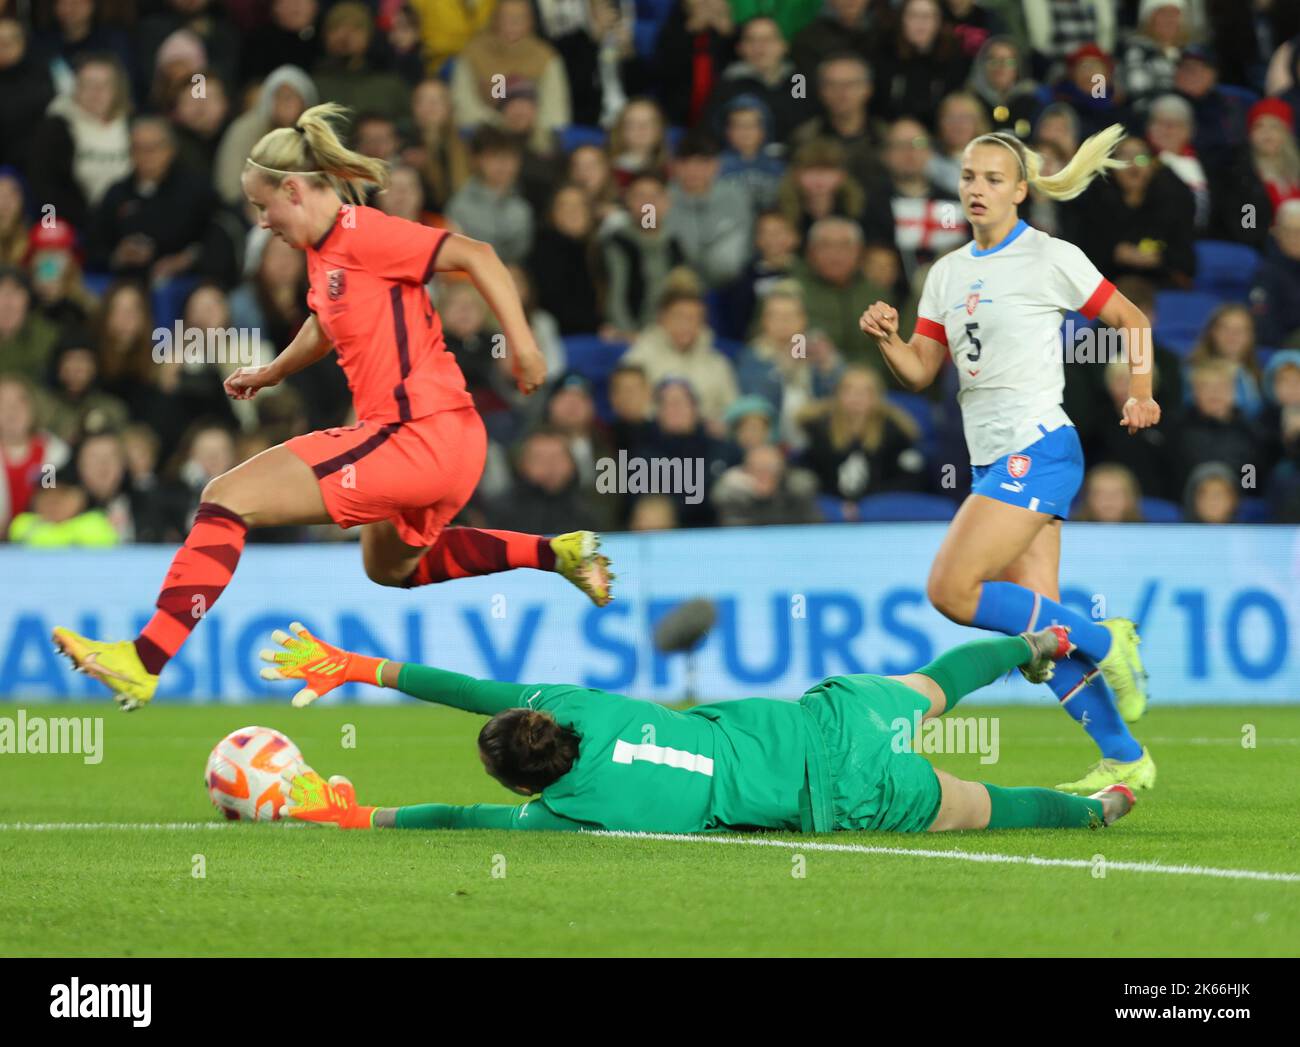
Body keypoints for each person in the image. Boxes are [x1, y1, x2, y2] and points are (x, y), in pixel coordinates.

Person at [52, 102, 612, 711]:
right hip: (446, 445)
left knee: (224, 497)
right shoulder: (326, 256)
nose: (261, 222)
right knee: (389, 568)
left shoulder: (363, 232)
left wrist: (524, 346)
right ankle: (555, 552)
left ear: (293, 190)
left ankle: (143, 659)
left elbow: (475, 254)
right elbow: (324, 325)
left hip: (414, 432)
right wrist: (270, 372)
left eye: (263, 207)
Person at [858, 123, 1159, 794]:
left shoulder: (1049, 255)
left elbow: (1133, 320)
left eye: (993, 179)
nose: (977, 189)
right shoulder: (946, 272)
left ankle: (1110, 642)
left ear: (1021, 191)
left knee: (951, 589)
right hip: (992, 460)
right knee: (1045, 638)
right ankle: (1124, 755)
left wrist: (1140, 392)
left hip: (1039, 447)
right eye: (968, 177)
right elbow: (919, 370)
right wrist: (888, 337)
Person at [266, 620, 1136, 832]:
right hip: (815, 724)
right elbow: (463, 685)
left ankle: (1098, 812)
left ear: (528, 782)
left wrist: (360, 813)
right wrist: (355, 665)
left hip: (828, 791)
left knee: (980, 806)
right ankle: (1041, 641)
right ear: (533, 716)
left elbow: (462, 822)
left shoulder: (570, 809)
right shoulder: (573, 702)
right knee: (929, 684)